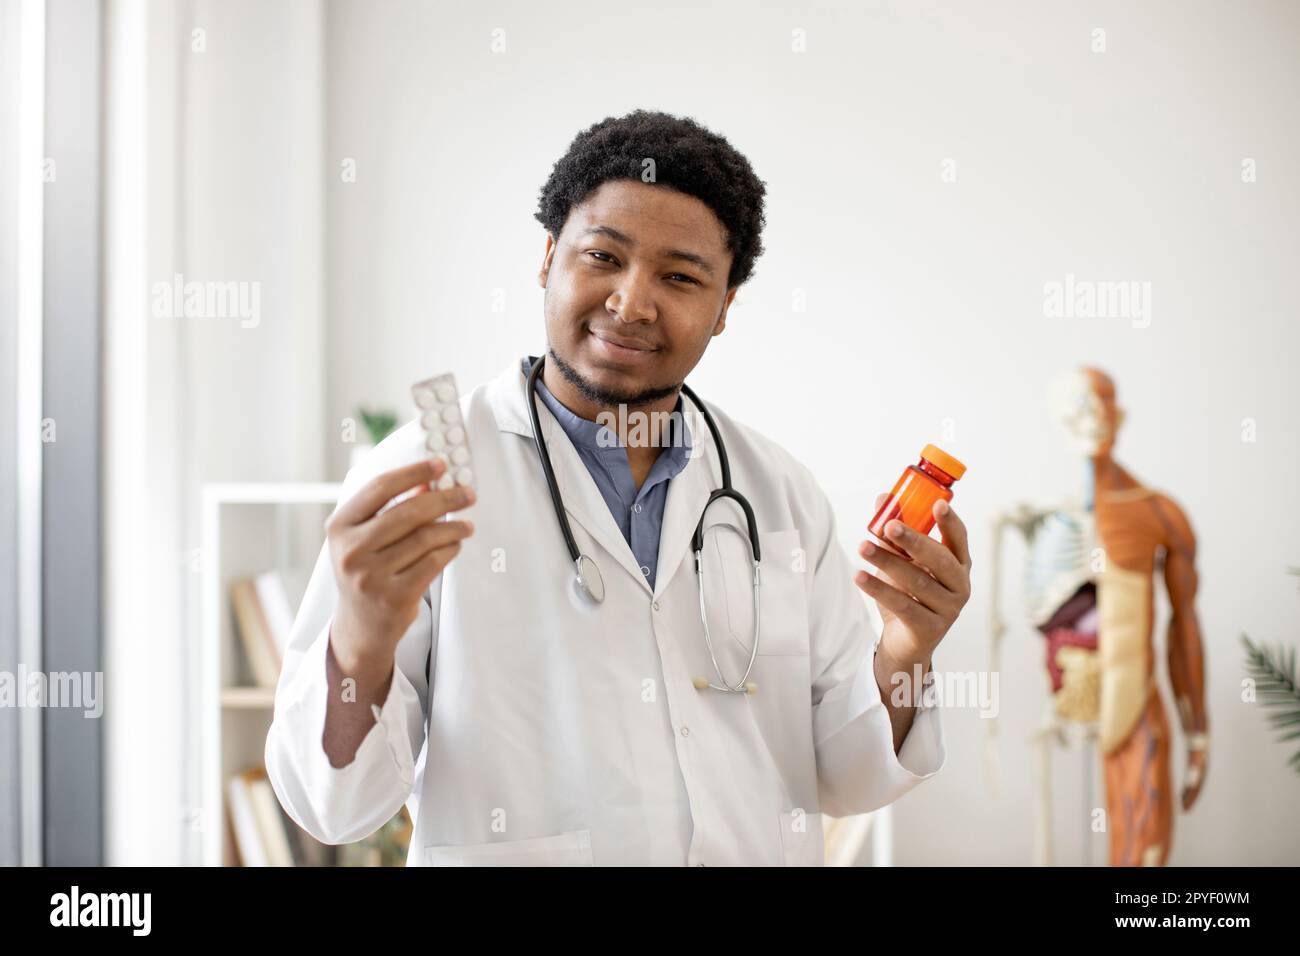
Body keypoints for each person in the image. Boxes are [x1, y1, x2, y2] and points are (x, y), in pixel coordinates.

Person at [265, 109, 972, 866]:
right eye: (603, 256)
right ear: (548, 258)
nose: (632, 302)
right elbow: (334, 806)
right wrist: (362, 642)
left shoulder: (778, 493)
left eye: (679, 276)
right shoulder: (421, 478)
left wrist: (906, 645)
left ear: (725, 307)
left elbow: (849, 775)